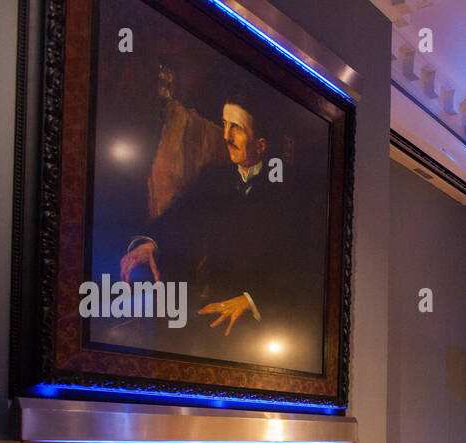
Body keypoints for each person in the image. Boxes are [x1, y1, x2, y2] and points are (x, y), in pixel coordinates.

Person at [117, 90, 325, 370]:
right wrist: (149, 243)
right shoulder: (213, 178)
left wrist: (250, 300)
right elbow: (179, 216)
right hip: (213, 315)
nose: (226, 136)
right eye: (224, 124)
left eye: (236, 128)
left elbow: (304, 268)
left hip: (266, 323)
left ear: (260, 145)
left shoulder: (289, 193)